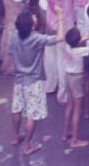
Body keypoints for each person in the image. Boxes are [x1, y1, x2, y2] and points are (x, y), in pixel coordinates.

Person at [8, 10, 58, 157]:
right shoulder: (37, 38)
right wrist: (60, 17)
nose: (35, 16)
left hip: (19, 80)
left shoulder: (14, 37)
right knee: (33, 115)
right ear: (31, 25)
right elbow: (59, 38)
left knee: (17, 108)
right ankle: (28, 145)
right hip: (33, 82)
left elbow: (12, 54)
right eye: (33, 17)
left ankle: (16, 136)